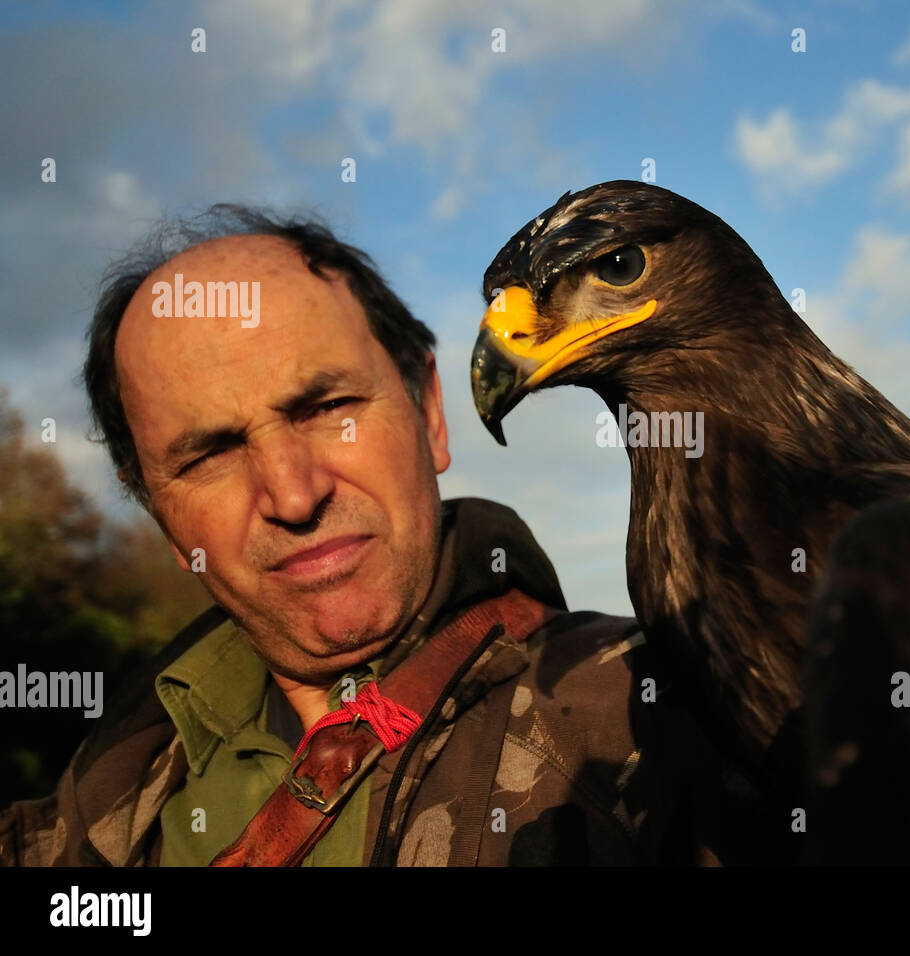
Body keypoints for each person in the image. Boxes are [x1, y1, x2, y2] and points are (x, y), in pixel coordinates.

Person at [0, 206, 698, 866]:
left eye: (329, 407)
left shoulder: (662, 720)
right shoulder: (87, 801)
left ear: (428, 411)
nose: (294, 495)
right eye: (209, 454)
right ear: (157, 512)